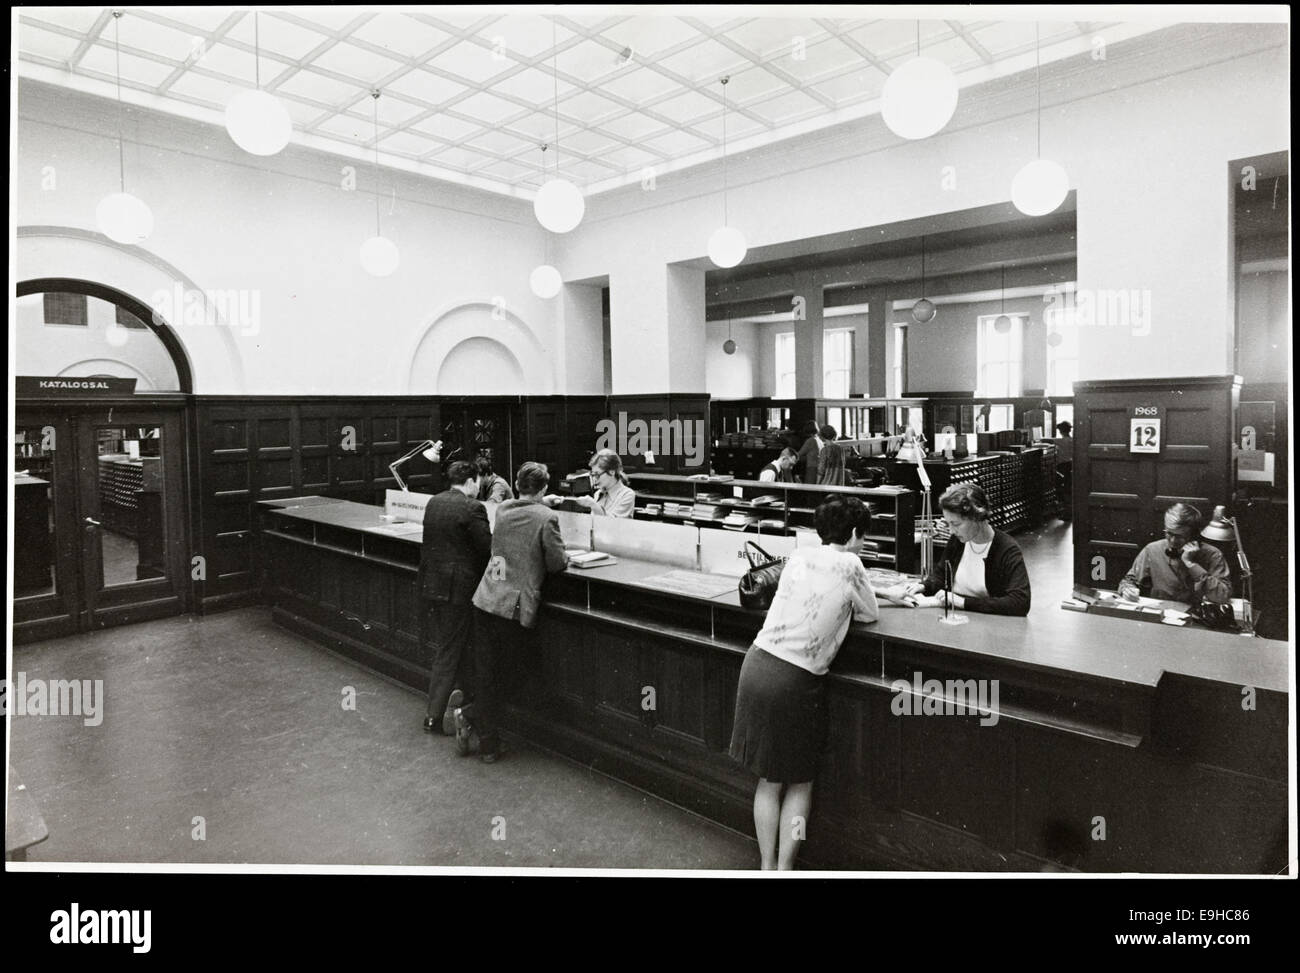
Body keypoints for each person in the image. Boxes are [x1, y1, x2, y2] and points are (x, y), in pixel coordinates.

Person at [729, 496, 916, 870]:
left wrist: (882, 589)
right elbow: (867, 615)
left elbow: (829, 584)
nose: (863, 543)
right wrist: (883, 595)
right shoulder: (851, 562)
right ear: (852, 535)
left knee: (769, 781)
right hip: (795, 682)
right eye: (862, 536)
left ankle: (767, 868)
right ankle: (785, 870)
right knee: (799, 782)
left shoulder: (799, 555)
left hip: (757, 664)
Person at [458, 462, 569, 762]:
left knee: (488, 672)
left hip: (486, 598)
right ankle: (471, 718)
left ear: (518, 485)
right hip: (514, 607)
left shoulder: (504, 509)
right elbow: (557, 563)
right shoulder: (547, 517)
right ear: (544, 488)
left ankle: (486, 741)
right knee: (514, 673)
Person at [418, 460, 491, 735]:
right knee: (450, 650)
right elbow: (487, 548)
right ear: (471, 481)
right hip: (459, 591)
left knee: (456, 645)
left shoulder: (434, 502)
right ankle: (433, 717)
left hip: (432, 584)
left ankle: (465, 701)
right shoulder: (473, 507)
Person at [906, 482, 1031, 616]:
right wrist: (923, 586)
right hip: (955, 615)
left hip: (986, 621)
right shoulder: (958, 540)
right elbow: (941, 574)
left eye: (956, 524)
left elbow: (1020, 602)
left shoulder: (1007, 549)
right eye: (948, 524)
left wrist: (963, 602)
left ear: (977, 517)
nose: (952, 531)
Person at [1118, 502, 1231, 604]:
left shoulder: (1213, 555)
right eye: (1169, 533)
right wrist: (1127, 590)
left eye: (1179, 536)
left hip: (1198, 618)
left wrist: (1191, 564)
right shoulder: (1152, 549)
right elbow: (1129, 580)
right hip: (1161, 614)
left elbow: (1222, 596)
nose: (1172, 541)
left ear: (1193, 534)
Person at [575, 448, 635, 517]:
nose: (594, 479)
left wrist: (594, 505)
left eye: (597, 475)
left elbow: (613, 524)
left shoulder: (627, 495)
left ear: (612, 472)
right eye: (593, 475)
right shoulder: (598, 494)